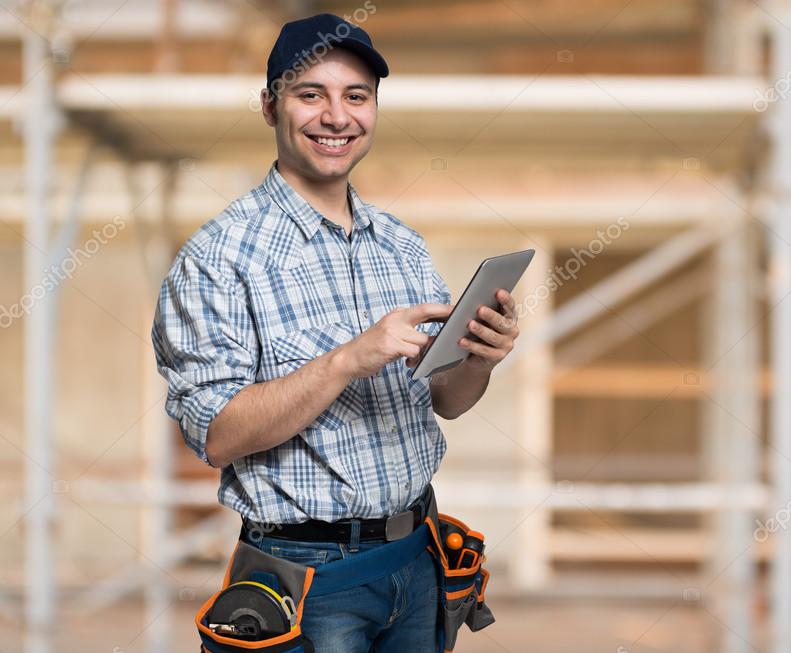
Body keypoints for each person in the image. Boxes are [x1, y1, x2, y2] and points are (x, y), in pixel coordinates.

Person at [151, 13, 519, 652]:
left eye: (356, 96)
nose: (336, 116)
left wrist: (479, 360)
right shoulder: (219, 258)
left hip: (417, 558)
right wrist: (348, 359)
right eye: (310, 94)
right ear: (269, 106)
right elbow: (215, 437)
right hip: (304, 578)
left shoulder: (400, 246)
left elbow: (446, 402)